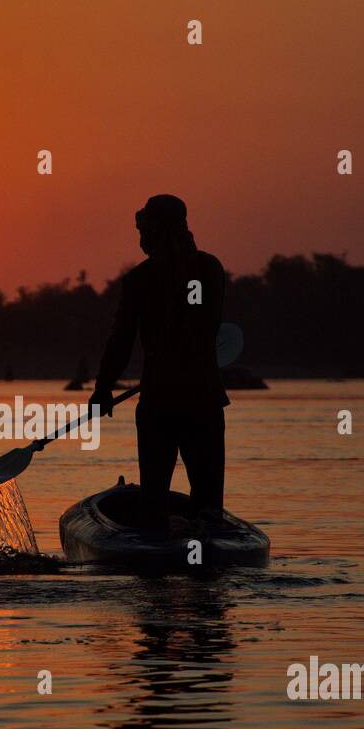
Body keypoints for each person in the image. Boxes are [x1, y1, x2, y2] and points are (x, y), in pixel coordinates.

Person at [89, 194, 229, 533]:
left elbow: (121, 340)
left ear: (153, 231)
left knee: (154, 505)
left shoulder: (141, 279)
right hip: (203, 400)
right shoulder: (209, 269)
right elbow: (202, 327)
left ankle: (155, 567)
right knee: (208, 506)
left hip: (160, 402)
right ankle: (204, 568)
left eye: (144, 228)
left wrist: (103, 388)